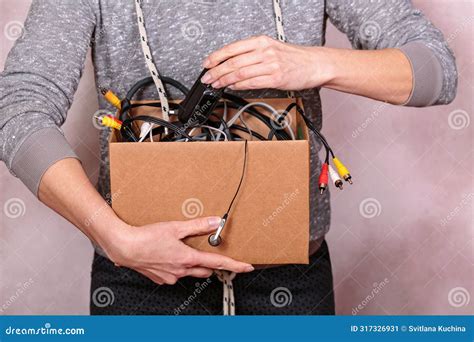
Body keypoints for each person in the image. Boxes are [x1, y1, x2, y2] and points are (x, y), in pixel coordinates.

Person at [0, 0, 457, 315]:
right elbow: (17, 109)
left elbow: (437, 69)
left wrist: (317, 63)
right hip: (140, 281)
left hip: (291, 287)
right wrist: (114, 236)